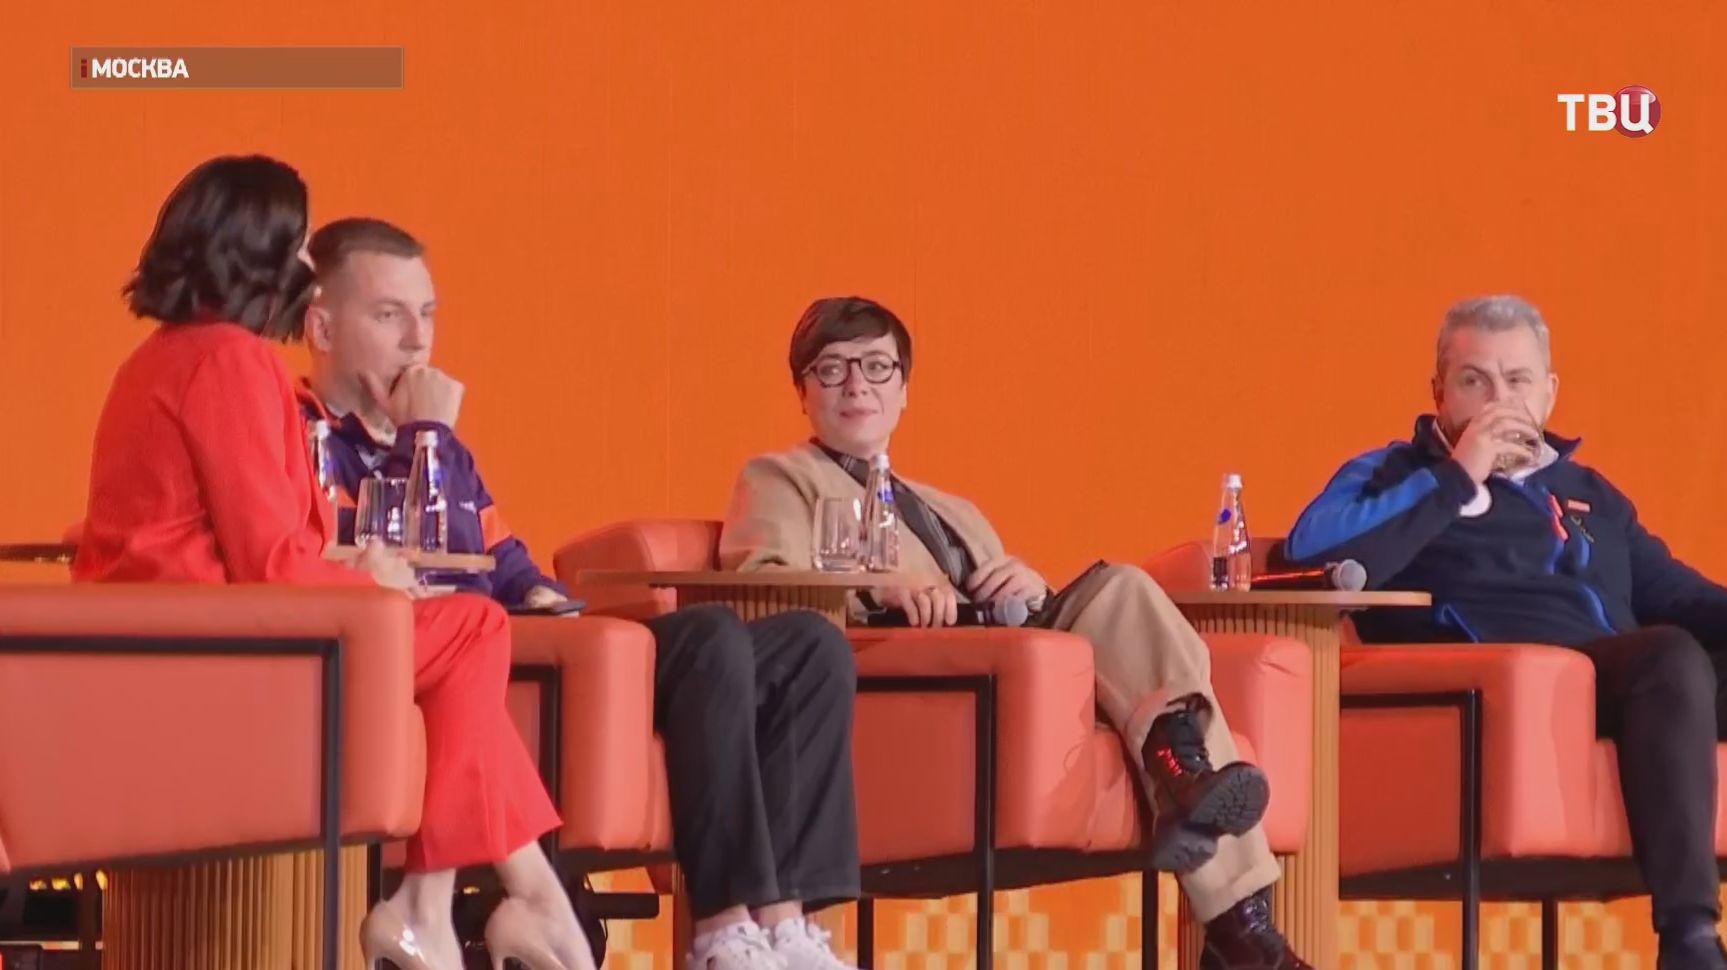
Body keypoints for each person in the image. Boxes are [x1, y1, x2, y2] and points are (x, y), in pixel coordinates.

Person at [298, 216, 864, 970]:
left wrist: (540, 592)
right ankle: (722, 932)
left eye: (427, 315)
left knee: (807, 646)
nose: (417, 341)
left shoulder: (444, 445)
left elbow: (507, 566)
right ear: (321, 327)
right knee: (711, 638)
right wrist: (423, 438)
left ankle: (784, 924)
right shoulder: (305, 435)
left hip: (527, 643)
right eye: (388, 315)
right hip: (457, 668)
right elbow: (401, 566)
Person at [74, 156, 591, 970]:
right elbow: (270, 562)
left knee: (460, 660)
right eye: (299, 244)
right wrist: (368, 582)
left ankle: (522, 901)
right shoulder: (230, 360)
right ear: (258, 251)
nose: (307, 266)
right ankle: (448, 901)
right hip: (218, 655)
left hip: (174, 641)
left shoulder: (159, 358)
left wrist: (350, 572)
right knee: (473, 628)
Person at [719, 295, 1318, 970]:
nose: (856, 385)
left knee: (1122, 589)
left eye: (877, 367)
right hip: (908, 684)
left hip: (997, 661)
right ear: (802, 392)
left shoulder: (950, 508)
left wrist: (1030, 590)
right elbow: (763, 594)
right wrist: (873, 587)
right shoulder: (778, 479)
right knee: (1143, 663)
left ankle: (1190, 792)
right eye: (832, 369)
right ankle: (1232, 912)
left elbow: (1015, 619)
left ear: (905, 390)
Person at [1288, 295, 1727, 970]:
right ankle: (1691, 941)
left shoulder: (1590, 494)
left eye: (1517, 381)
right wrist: (1457, 476)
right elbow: (1313, 555)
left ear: (1548, 393)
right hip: (1500, 694)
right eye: (1475, 381)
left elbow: (1676, 593)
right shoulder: (1395, 474)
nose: (1499, 401)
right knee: (1666, 656)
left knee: (1679, 656)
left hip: (1625, 687)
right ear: (1439, 392)